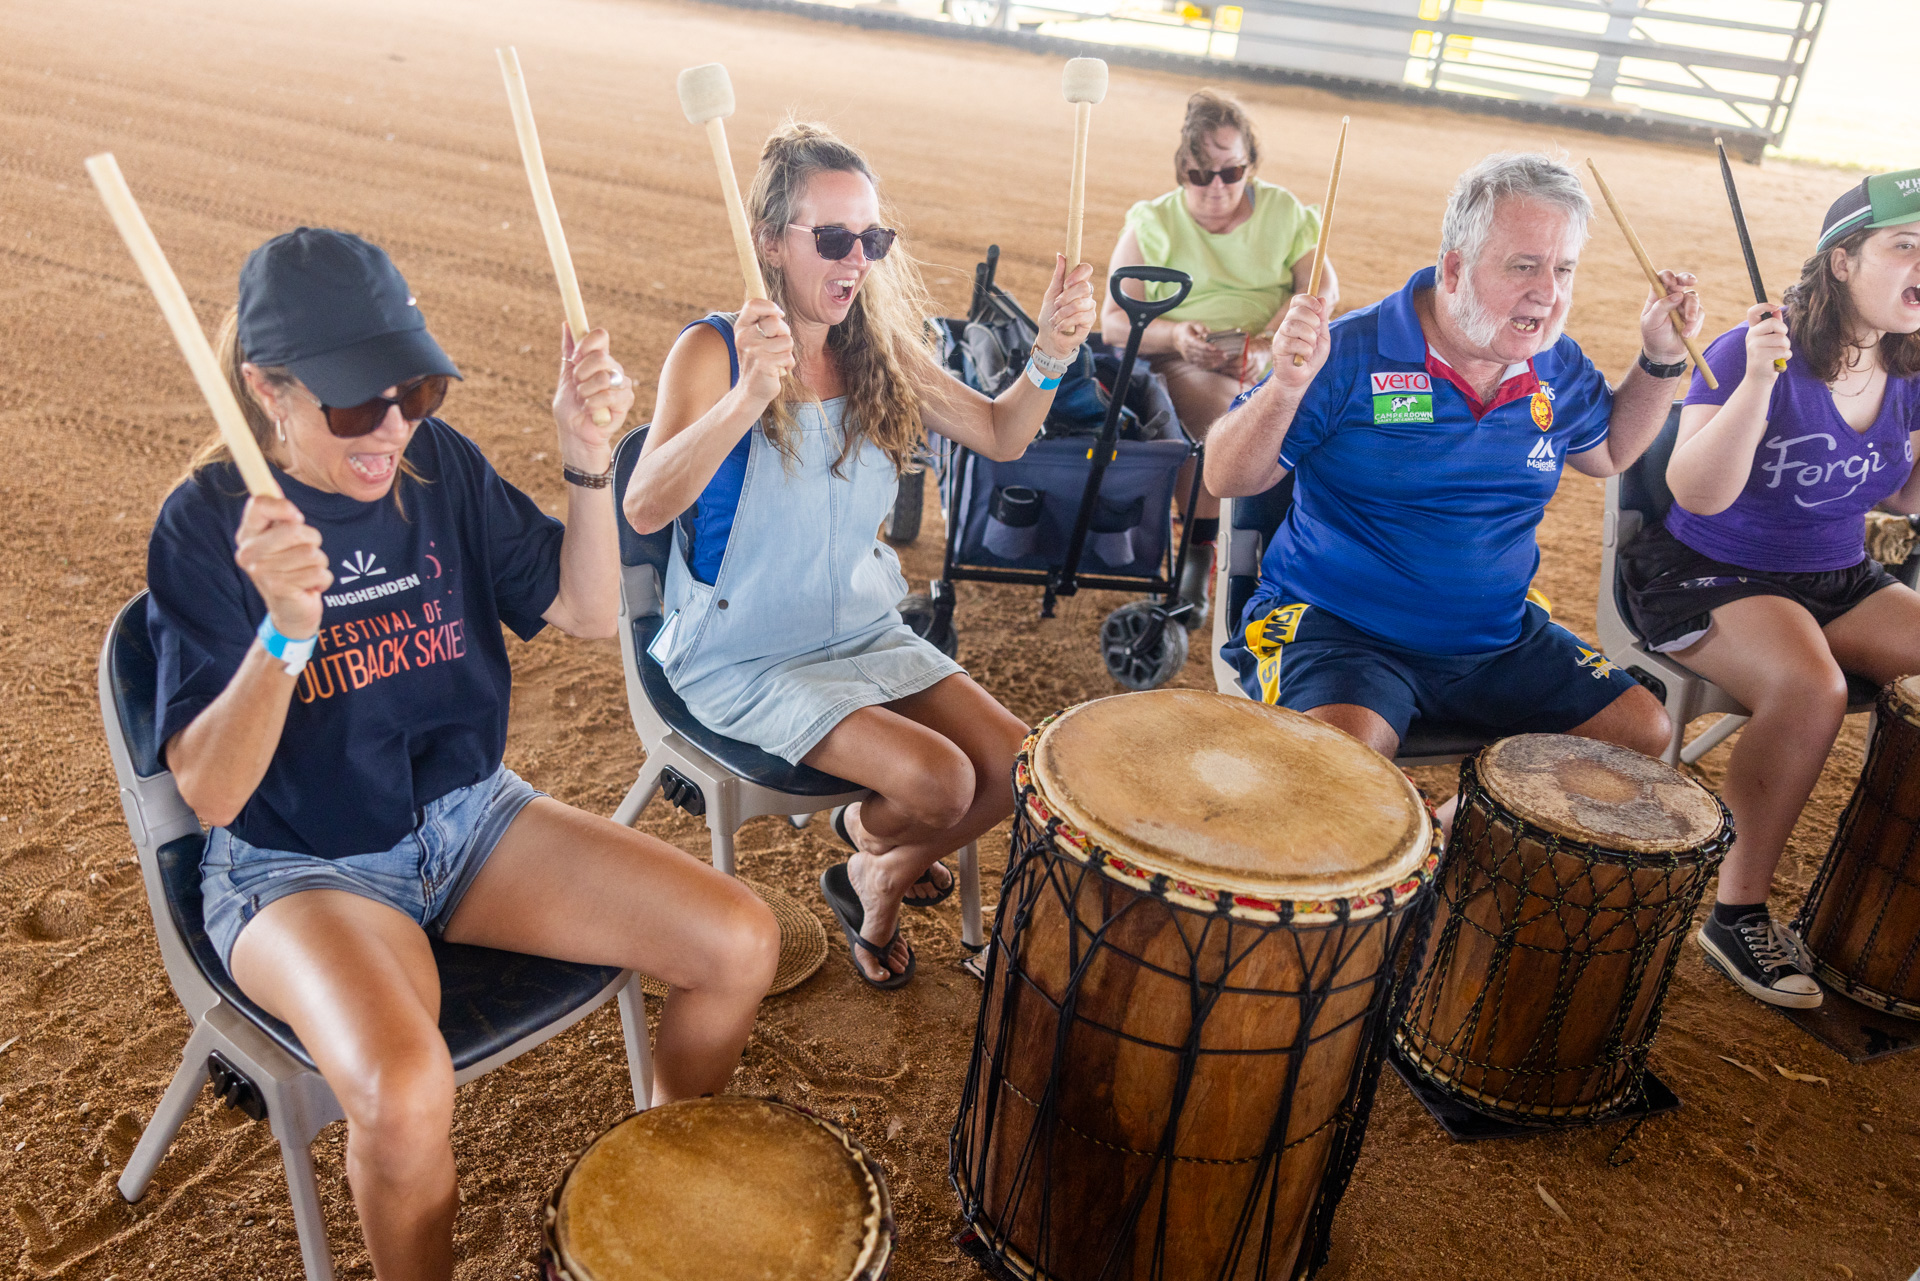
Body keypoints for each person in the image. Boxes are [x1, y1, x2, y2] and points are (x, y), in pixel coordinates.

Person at [148, 229, 780, 1280]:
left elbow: (582, 608)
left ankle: (649, 1183)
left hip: (469, 817)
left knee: (739, 941)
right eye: (355, 404)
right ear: (268, 387)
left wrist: (585, 451)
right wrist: (284, 633)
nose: (390, 427)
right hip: (298, 866)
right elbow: (212, 788)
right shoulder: (211, 523)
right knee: (404, 1093)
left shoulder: (434, 467)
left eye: (413, 392)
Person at [624, 122, 1097, 989]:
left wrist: (1054, 354)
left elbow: (1000, 433)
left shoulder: (876, 346)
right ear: (770, 241)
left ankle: (870, 873)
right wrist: (746, 398)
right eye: (833, 239)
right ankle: (878, 855)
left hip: (860, 629)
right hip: (745, 652)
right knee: (945, 783)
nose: (856, 261)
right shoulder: (713, 351)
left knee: (1017, 765)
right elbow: (646, 504)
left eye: (871, 240)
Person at [1208, 152, 1702, 784]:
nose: (1547, 292)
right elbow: (1225, 479)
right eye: (1523, 266)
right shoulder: (1348, 352)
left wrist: (1660, 359)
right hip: (1339, 635)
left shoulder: (1555, 364)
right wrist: (1283, 388)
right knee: (1338, 767)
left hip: (1496, 640)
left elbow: (1607, 454)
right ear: (1454, 269)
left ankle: (1453, 847)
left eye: (1562, 269)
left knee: (1639, 733)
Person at [1621, 168, 1920, 1008]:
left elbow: (1902, 494)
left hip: (1836, 573)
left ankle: (1886, 905)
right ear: (1841, 261)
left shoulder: (1908, 359)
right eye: (1906, 245)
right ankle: (1735, 913)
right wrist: (1755, 383)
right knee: (1810, 684)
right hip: (1712, 570)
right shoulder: (1752, 348)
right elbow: (1695, 490)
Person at [1102, 88, 1336, 625]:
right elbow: (1114, 324)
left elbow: (1320, 291)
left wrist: (1272, 348)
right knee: (1225, 410)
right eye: (1198, 173)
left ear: (1250, 166)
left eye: (1230, 174)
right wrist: (1178, 336)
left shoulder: (1285, 213)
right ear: (1180, 168)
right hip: (1185, 361)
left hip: (1268, 355)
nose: (1214, 188)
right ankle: (1200, 557)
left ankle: (1307, 550)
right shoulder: (1152, 222)